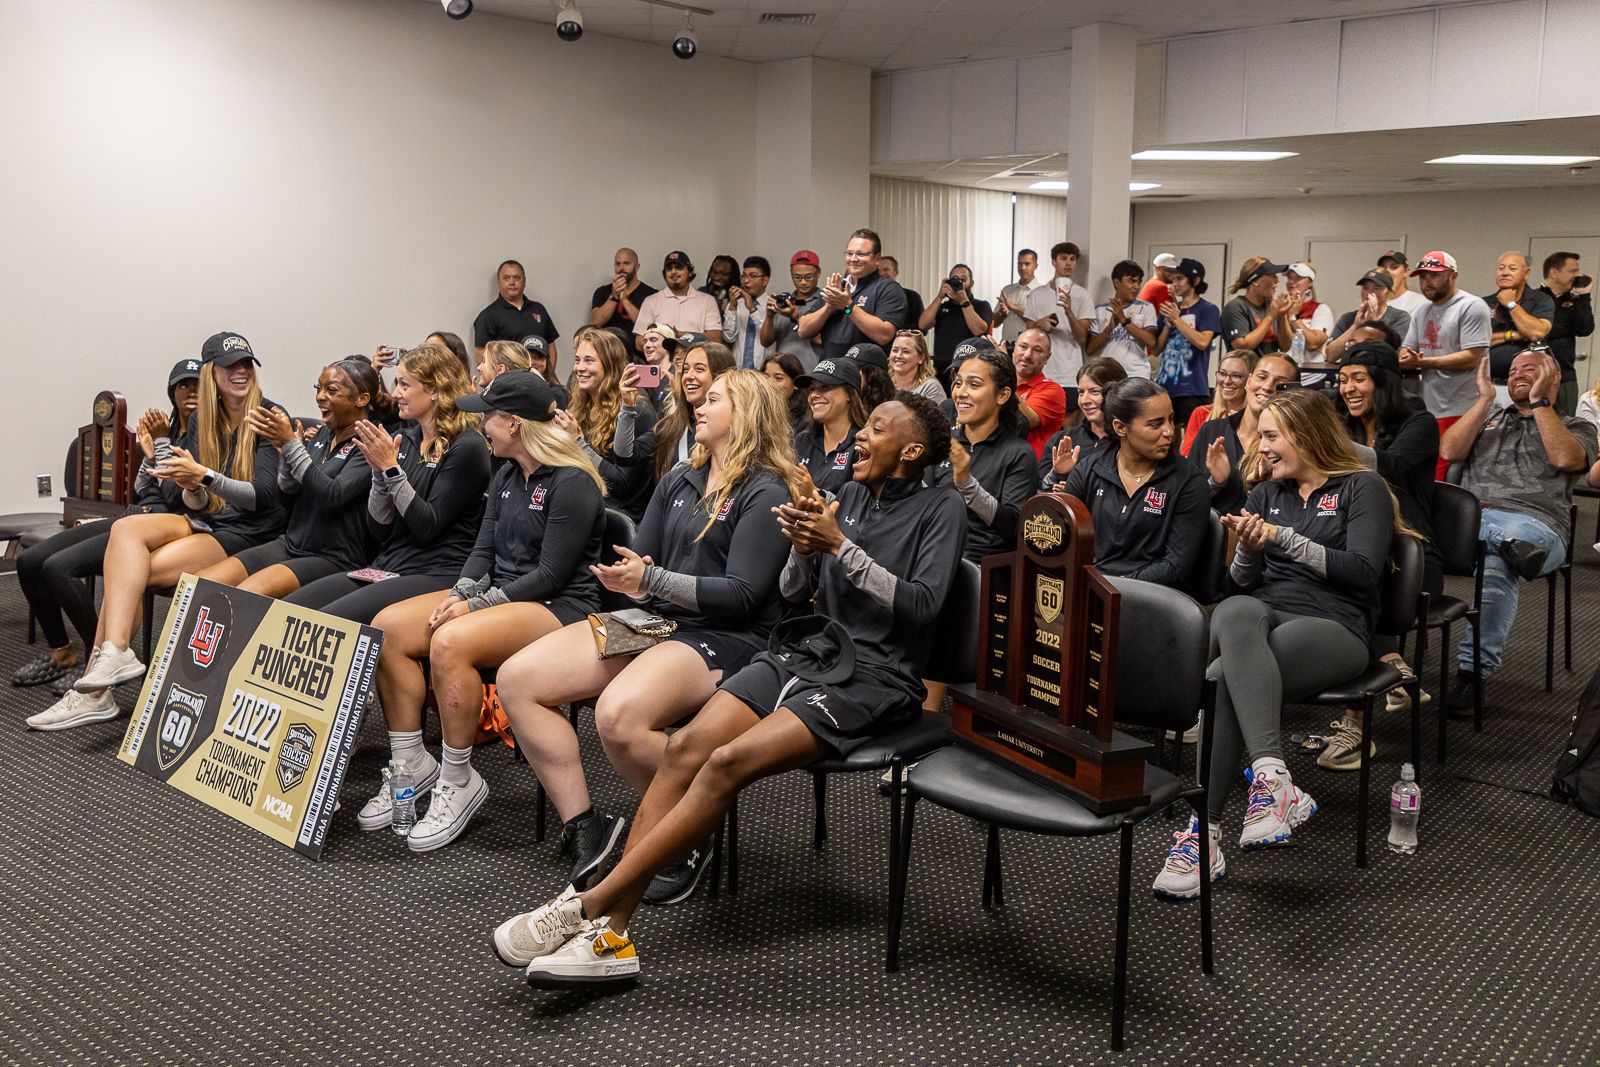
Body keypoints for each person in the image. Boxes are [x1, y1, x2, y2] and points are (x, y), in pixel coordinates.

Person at [493, 392, 967, 986]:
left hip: (875, 676)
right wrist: (804, 550)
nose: (859, 437)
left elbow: (922, 607)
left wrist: (838, 545)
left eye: (875, 428)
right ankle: (610, 931)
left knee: (725, 763)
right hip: (805, 650)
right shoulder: (846, 496)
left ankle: (588, 905)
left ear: (912, 449)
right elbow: (796, 593)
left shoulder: (941, 507)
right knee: (688, 748)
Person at [494, 370, 797, 904]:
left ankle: (685, 831)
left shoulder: (766, 489)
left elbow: (745, 594)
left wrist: (649, 581)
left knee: (617, 716)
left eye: (716, 399)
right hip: (660, 621)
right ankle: (586, 826)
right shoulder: (682, 476)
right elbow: (645, 561)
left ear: (747, 414)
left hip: (730, 637)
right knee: (518, 678)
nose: (699, 404)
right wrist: (627, 581)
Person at [1152, 388, 1404, 900]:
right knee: (1234, 609)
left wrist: (1282, 539)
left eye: (1270, 435)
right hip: (1267, 613)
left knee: (1221, 679)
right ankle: (1273, 779)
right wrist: (1246, 549)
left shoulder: (1362, 488)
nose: (1261, 447)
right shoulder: (1267, 493)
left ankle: (1205, 835)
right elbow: (1242, 586)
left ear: (1306, 435)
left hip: (1336, 624)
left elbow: (1361, 572)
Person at [357, 372, 608, 851]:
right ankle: (411, 765)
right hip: (506, 597)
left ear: (514, 425)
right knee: (387, 628)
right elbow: (484, 548)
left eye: (489, 417)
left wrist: (472, 606)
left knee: (451, 640)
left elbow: (550, 575)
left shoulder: (573, 482)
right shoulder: (508, 473)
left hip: (559, 607)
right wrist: (461, 593)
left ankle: (457, 778)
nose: (481, 425)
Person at [32, 333, 288, 728]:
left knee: (130, 576)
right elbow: (195, 501)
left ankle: (95, 688)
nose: (240, 372)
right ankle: (112, 658)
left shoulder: (268, 415)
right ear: (212, 373)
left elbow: (264, 496)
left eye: (246, 364)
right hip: (209, 519)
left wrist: (203, 475)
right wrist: (192, 486)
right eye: (230, 365)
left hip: (251, 532)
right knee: (128, 531)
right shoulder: (205, 421)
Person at [14, 359, 200, 698]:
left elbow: (178, 495)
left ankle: (96, 661)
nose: (191, 391)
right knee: (30, 562)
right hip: (135, 514)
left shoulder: (207, 436)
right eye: (184, 385)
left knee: (59, 568)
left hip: (163, 528)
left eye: (199, 384)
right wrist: (150, 456)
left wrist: (158, 451)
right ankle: (61, 650)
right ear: (172, 393)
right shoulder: (168, 433)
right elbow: (142, 490)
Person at [283, 344, 491, 624]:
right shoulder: (406, 438)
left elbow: (427, 525)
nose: (395, 395)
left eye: (405, 385)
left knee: (322, 622)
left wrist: (391, 470)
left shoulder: (467, 446)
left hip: (434, 570)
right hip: (389, 564)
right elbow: (379, 529)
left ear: (434, 390)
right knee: (287, 611)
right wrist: (379, 476)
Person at [1438, 350, 1596, 709]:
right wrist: (1483, 400)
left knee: (1495, 559)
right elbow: (1449, 451)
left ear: (1554, 377)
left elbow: (1566, 460)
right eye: (1512, 371)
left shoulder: (1576, 426)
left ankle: (1470, 674)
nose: (1518, 375)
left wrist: (1540, 403)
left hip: (1539, 528)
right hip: (1481, 523)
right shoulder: (1489, 416)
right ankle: (1471, 673)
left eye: (1530, 369)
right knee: (1499, 560)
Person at [1316, 340, 1442, 769]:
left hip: (1412, 558)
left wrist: (1318, 438)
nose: (1347, 388)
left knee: (1353, 588)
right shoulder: (1343, 425)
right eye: (1342, 380)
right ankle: (1394, 669)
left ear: (1383, 382)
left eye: (1358, 379)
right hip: (1359, 548)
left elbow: (1388, 464)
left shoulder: (1420, 422)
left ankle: (1356, 728)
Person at [195, 358, 380, 598]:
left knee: (245, 595)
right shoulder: (322, 435)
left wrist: (292, 446)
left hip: (332, 556)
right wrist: (285, 459)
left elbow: (332, 495)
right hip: (291, 543)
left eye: (331, 390)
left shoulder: (372, 442)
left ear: (362, 399)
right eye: (318, 388)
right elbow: (287, 499)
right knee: (201, 585)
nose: (320, 397)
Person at [1052, 378, 1208, 587]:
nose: (1169, 431)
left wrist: (1113, 588)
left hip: (1150, 599)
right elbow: (1062, 536)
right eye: (1155, 424)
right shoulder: (1089, 469)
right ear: (1120, 427)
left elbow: (1175, 566)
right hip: (1088, 588)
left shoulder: (1189, 481)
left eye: (1170, 419)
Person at [927, 347, 1040, 561]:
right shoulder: (942, 442)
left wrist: (967, 484)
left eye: (974, 385)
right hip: (933, 553)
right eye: (958, 383)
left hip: (981, 565)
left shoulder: (1018, 453)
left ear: (1003, 395)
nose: (961, 393)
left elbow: (1014, 527)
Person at [1397, 250, 1492, 478]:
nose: (1427, 282)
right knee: (1422, 470)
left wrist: (1422, 362)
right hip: (1430, 405)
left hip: (1462, 406)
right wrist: (1404, 358)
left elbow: (1470, 358)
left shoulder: (1471, 306)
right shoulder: (1423, 310)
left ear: (1453, 275)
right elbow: (1406, 349)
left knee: (1440, 474)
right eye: (1422, 277)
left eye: (1434, 275)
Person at [556, 328, 659, 521]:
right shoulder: (581, 405)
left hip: (619, 520)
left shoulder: (635, 411)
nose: (579, 368)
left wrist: (578, 442)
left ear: (609, 365)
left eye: (589, 360)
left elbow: (622, 485)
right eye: (577, 360)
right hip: (585, 508)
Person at [1186, 353, 1300, 517]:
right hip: (1209, 534)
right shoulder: (1211, 431)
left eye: (1280, 383)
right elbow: (1187, 500)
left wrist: (1266, 484)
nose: (1267, 387)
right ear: (1249, 381)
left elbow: (1291, 512)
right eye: (1262, 377)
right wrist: (1216, 483)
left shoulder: (1292, 444)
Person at [799, 229, 905, 361]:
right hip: (830, 370)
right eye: (850, 253)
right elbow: (803, 330)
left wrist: (848, 307)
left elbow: (884, 335)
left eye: (861, 254)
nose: (853, 259)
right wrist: (827, 308)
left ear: (877, 259)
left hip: (866, 373)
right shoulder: (837, 288)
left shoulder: (888, 289)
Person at [652, 341, 735, 481]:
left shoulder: (736, 431)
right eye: (685, 369)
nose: (689, 376)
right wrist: (628, 408)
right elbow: (625, 457)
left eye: (699, 369)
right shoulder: (668, 426)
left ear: (721, 375)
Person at [1039, 357, 1128, 490]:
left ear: (1115, 393)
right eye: (1081, 392)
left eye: (1094, 392)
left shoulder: (1128, 441)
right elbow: (1040, 487)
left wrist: (1076, 493)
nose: (1085, 400)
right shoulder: (1063, 439)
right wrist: (1057, 473)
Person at [1154, 258, 1221, 429]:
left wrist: (1177, 320)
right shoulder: (1171, 308)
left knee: (1192, 435)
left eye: (1180, 279)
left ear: (1195, 281)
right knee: (1167, 432)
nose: (1174, 283)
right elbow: (1156, 350)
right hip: (1165, 384)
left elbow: (1202, 342)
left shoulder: (1207, 309)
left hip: (1192, 387)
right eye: (1173, 279)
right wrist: (1168, 327)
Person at [1023, 241, 1094, 390]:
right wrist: (1038, 324)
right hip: (1041, 370)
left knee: (1068, 412)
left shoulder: (1083, 295)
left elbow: (1082, 338)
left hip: (1070, 372)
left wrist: (1069, 312)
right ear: (1054, 262)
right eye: (1063, 258)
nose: (1068, 263)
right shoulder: (1037, 294)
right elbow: (1026, 332)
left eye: (1072, 259)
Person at [794, 356, 868, 495]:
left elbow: (860, 503)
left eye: (824, 387)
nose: (814, 395)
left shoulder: (864, 444)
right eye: (811, 389)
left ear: (849, 394)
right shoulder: (802, 441)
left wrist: (815, 493)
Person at [1537, 251, 1594, 417]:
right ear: (1554, 272)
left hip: (1565, 376)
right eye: (1572, 271)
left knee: (1565, 425)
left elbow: (1585, 329)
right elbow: (1540, 332)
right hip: (1534, 374)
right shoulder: (1534, 299)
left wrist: (1584, 296)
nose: (1577, 275)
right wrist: (1561, 327)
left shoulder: (1576, 300)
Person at [1483, 251, 1554, 383]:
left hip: (1527, 383)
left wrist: (1511, 305)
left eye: (1512, 268)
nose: (1504, 273)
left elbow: (1537, 333)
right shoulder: (1484, 303)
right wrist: (1513, 335)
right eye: (1501, 268)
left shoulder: (1541, 300)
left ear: (1526, 273)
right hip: (1487, 381)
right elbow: (1477, 342)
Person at [473, 260, 560, 366]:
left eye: (517, 278)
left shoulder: (539, 309)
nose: (512, 283)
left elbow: (550, 345)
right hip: (508, 379)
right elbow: (481, 354)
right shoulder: (488, 315)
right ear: (498, 282)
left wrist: (548, 376)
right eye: (506, 278)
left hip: (539, 378)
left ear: (524, 281)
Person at [1086, 259, 1159, 378]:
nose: (1137, 287)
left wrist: (1123, 320)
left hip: (1136, 375)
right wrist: (1109, 329)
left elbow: (1151, 342)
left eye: (1139, 282)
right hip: (1107, 376)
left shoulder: (1145, 308)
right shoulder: (1100, 310)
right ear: (1116, 282)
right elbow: (1090, 349)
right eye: (1132, 281)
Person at [917, 263, 992, 378]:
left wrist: (964, 301)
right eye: (955, 279)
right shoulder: (942, 307)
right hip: (942, 369)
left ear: (971, 283)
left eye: (963, 279)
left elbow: (978, 330)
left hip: (971, 369)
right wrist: (940, 296)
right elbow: (922, 325)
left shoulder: (981, 305)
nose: (959, 282)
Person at [634, 252, 724, 345]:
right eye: (669, 269)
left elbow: (715, 339)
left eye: (679, 267)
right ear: (664, 274)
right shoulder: (651, 301)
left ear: (690, 272)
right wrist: (667, 341)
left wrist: (678, 335)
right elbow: (639, 342)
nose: (673, 271)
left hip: (697, 358)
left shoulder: (707, 301)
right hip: (661, 359)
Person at [1326, 269, 1412, 362]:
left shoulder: (1400, 317)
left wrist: (1372, 324)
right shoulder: (1348, 318)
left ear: (1389, 292)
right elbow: (1330, 356)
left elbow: (1388, 355)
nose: (1369, 293)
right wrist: (1356, 326)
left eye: (1376, 288)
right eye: (1365, 288)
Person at [758, 250, 824, 371]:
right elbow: (765, 341)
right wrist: (770, 316)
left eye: (808, 277)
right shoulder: (785, 302)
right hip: (784, 374)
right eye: (797, 277)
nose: (803, 282)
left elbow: (820, 340)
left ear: (818, 273)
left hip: (812, 372)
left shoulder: (826, 302)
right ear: (791, 273)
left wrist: (794, 316)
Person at [1181, 350, 1254, 456]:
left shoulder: (1257, 420)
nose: (1227, 381)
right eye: (1223, 373)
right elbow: (1188, 460)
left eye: (1236, 375)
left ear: (1250, 380)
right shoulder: (1201, 413)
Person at [1010, 328, 1066, 460]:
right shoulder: (994, 385)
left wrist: (1004, 374)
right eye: (1023, 347)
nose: (1028, 355)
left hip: (1030, 471)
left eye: (1037, 350)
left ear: (1048, 357)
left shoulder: (1052, 390)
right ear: (1014, 349)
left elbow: (1024, 420)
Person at [1221, 257, 1288, 355]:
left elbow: (1286, 347)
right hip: (1245, 369)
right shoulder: (1235, 307)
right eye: (1272, 275)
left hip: (1268, 368)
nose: (1277, 280)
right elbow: (1241, 347)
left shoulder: (1272, 306)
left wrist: (1282, 314)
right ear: (1255, 281)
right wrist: (1270, 317)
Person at [591, 248, 658, 337]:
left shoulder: (651, 295)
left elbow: (649, 328)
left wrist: (625, 300)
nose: (621, 268)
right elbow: (596, 323)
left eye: (626, 263)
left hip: (636, 349)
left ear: (637, 267)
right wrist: (614, 296)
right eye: (618, 264)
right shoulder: (602, 292)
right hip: (609, 348)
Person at [722, 256, 773, 370]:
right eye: (743, 276)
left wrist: (752, 309)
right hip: (739, 372)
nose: (746, 281)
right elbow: (728, 338)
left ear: (765, 280)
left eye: (753, 276)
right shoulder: (736, 304)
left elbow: (767, 337)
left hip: (764, 373)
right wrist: (733, 307)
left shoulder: (773, 305)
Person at [1276, 262, 1333, 358]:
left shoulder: (1321, 309)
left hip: (1311, 372)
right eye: (1289, 278)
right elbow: (1284, 347)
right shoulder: (1281, 310)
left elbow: (1313, 344)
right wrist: (1282, 315)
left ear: (1310, 282)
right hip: (1287, 369)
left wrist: (1293, 318)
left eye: (1298, 278)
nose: (1291, 282)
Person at [992, 248, 1042, 346]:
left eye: (1027, 264)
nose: (1023, 268)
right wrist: (1001, 313)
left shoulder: (1041, 292)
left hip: (1028, 347)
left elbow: (1040, 323)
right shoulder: (1007, 290)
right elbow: (994, 323)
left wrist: (1014, 308)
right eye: (1019, 264)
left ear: (1035, 266)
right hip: (1006, 345)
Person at [888, 329, 946, 404]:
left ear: (921, 358)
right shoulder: (883, 383)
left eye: (906, 351)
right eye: (895, 350)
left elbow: (936, 415)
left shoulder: (930, 387)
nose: (898, 356)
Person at [761, 352, 808, 431]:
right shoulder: (756, 412)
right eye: (766, 377)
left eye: (778, 378)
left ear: (796, 383)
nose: (770, 384)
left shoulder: (805, 420)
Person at [1378, 251, 1430, 322]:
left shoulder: (1420, 303)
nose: (1388, 272)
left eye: (1394, 267)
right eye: (1383, 268)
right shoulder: (1376, 301)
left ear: (1406, 272)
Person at [880, 255, 923, 331]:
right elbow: (851, 311)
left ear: (896, 272)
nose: (882, 274)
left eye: (886, 269)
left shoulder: (912, 297)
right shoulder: (868, 297)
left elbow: (921, 327)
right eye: (878, 271)